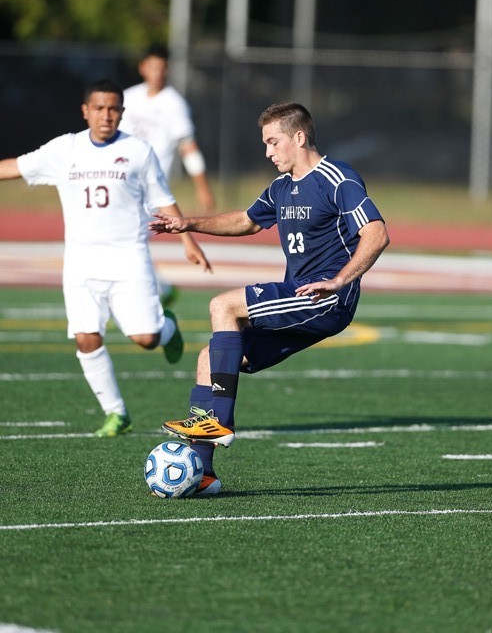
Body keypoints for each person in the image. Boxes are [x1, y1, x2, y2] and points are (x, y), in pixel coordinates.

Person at [149, 102, 390, 496]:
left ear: (299, 137)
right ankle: (204, 472)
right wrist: (188, 223)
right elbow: (246, 220)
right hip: (300, 297)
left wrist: (340, 280)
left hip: (325, 299)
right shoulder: (281, 187)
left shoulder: (337, 178)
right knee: (209, 359)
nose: (267, 151)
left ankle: (219, 420)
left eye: (273, 141)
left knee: (222, 306)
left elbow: (376, 233)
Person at [0, 79, 212, 444]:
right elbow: (16, 166)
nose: (106, 115)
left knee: (144, 338)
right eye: (99, 108)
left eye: (113, 109)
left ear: (122, 113)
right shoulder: (64, 149)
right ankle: (116, 412)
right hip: (81, 262)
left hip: (129, 258)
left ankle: (169, 330)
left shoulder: (138, 151)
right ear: (86, 111)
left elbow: (163, 199)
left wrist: (187, 240)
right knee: (86, 337)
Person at [120, 44, 215, 212]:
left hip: (153, 186)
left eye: (162, 68)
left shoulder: (174, 103)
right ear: (142, 67)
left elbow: (188, 147)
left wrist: (202, 188)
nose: (157, 73)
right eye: (153, 67)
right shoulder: (128, 97)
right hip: (123, 178)